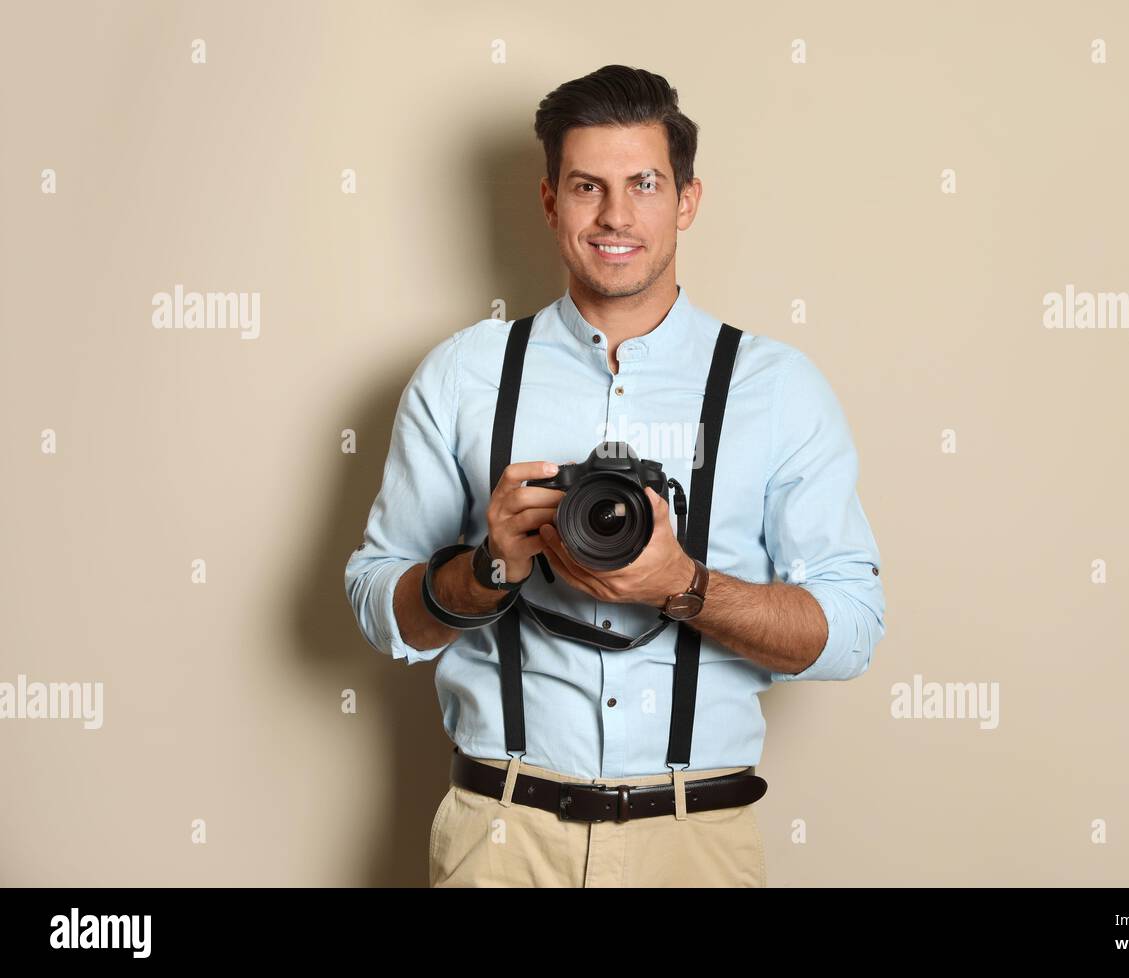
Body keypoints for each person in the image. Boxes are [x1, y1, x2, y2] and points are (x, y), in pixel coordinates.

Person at [344, 64, 885, 888]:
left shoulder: (773, 386)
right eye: (587, 186)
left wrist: (682, 583)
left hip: (694, 839)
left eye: (644, 183)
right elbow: (378, 606)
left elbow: (849, 629)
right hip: (503, 833)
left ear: (688, 200)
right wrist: (491, 569)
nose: (617, 215)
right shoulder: (465, 374)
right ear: (550, 202)